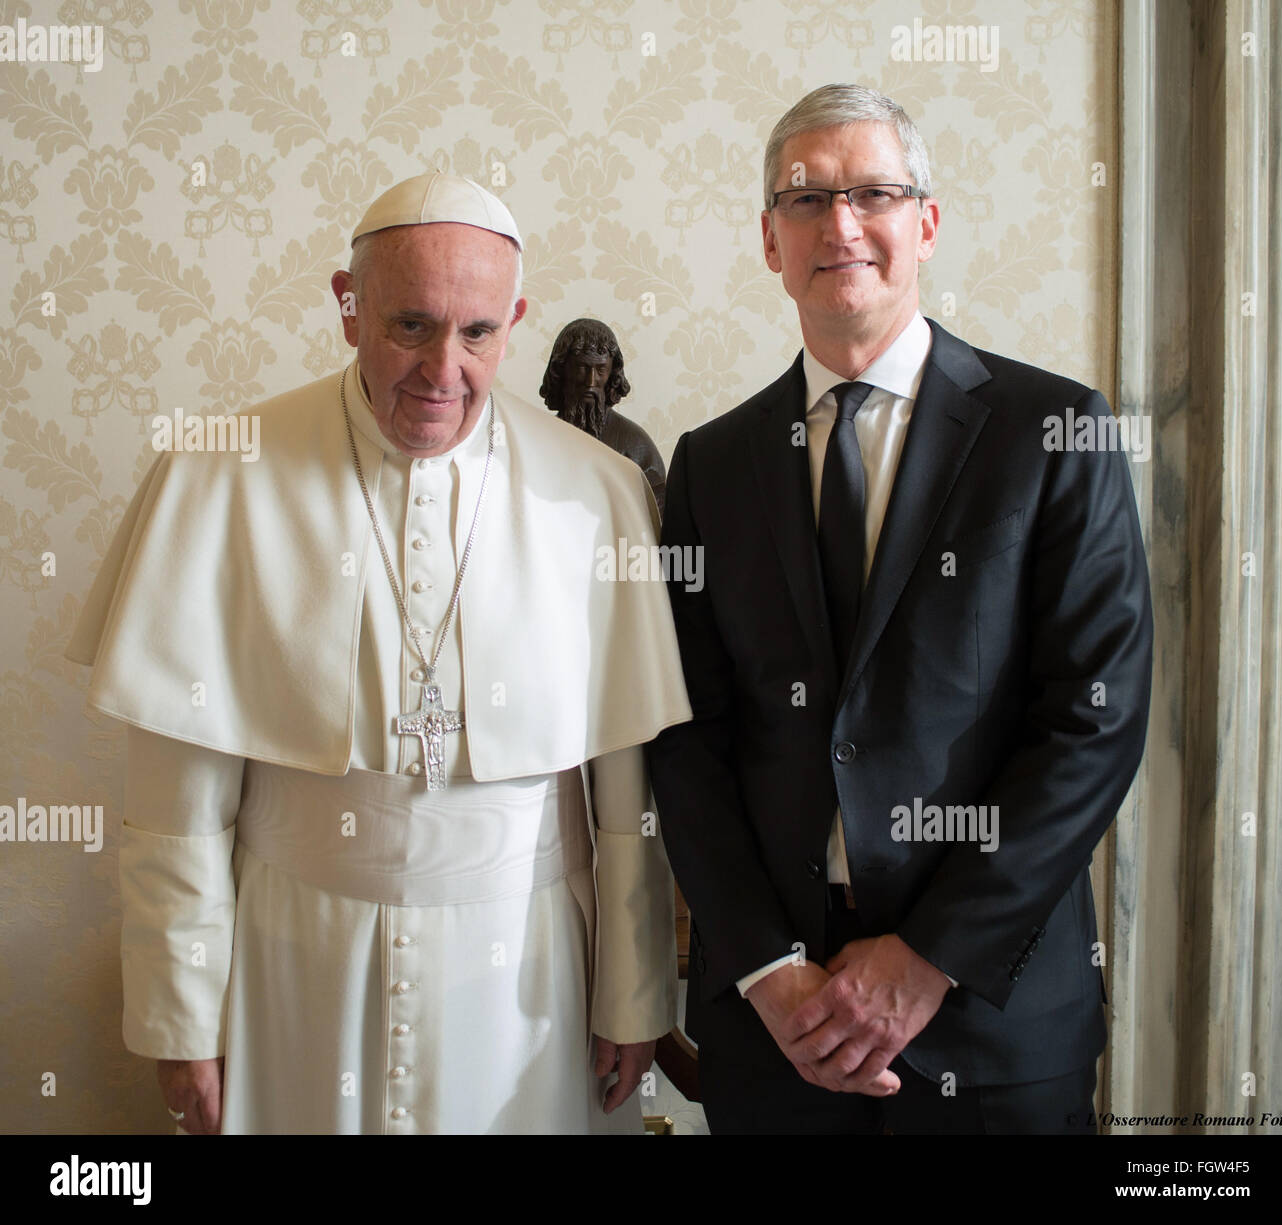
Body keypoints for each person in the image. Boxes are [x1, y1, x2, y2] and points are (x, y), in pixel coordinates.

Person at [67, 172, 692, 1134]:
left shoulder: (598, 491)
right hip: (295, 957)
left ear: (515, 320)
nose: (444, 369)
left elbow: (623, 791)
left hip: (528, 967)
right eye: (410, 326)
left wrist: (634, 994)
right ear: (348, 306)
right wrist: (182, 1014)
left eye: (478, 333)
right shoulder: (219, 471)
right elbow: (178, 800)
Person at [647, 84, 1153, 1134]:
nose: (839, 224)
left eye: (873, 192)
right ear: (768, 242)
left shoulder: (1056, 428)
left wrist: (930, 957)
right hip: (772, 1030)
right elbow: (686, 737)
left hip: (993, 1023)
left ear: (923, 223)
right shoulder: (711, 464)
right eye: (804, 199)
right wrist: (766, 967)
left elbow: (1093, 721)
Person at [540, 317, 667, 517]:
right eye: (582, 368)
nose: (591, 382)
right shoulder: (536, 439)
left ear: (611, 373)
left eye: (600, 370)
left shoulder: (635, 446)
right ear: (562, 370)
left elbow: (655, 521)